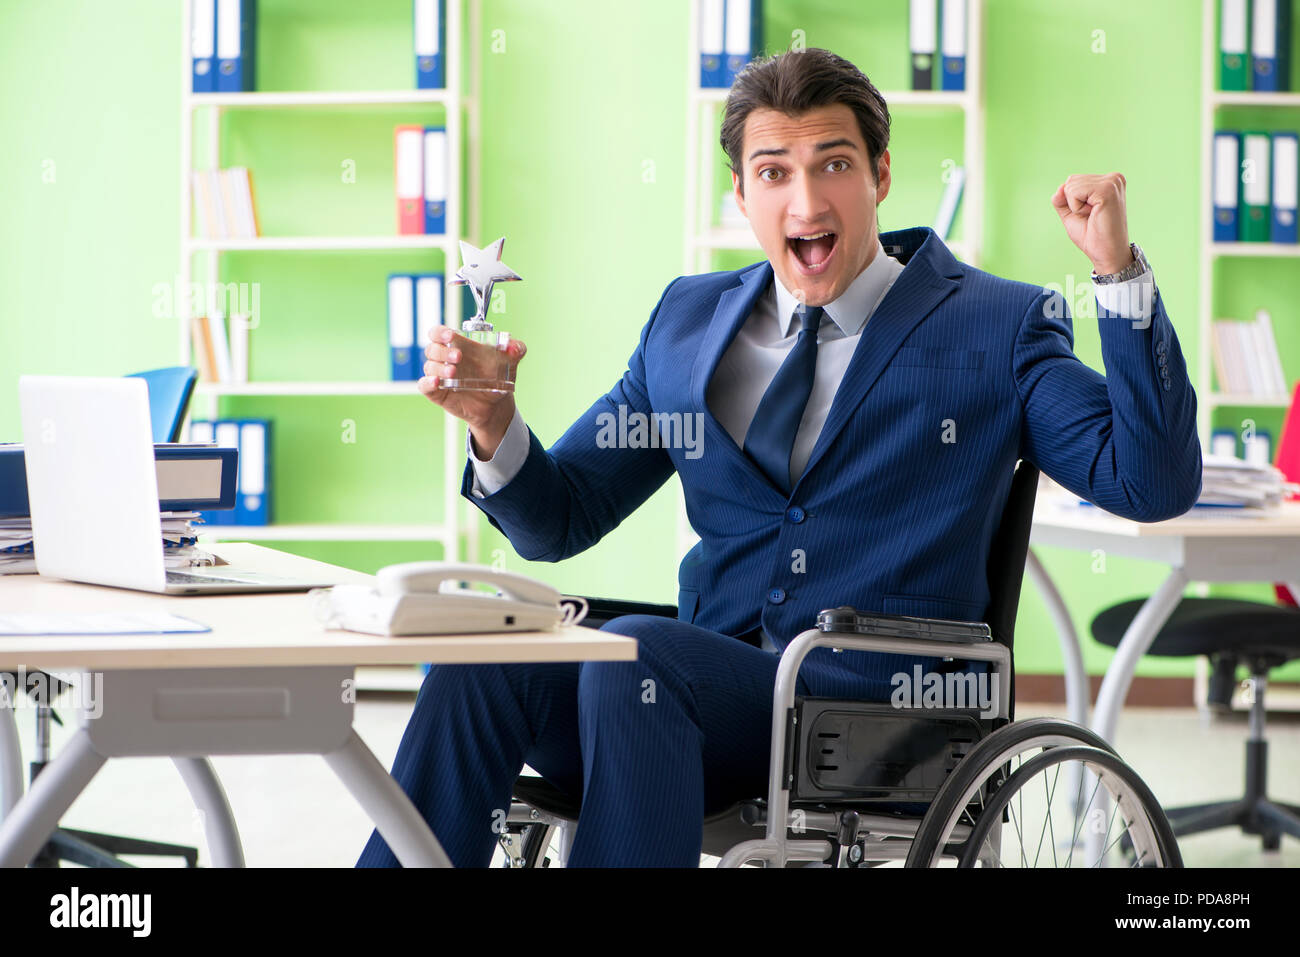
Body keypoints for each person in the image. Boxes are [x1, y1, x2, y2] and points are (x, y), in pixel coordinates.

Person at [357, 47, 1200, 867]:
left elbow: (1148, 479)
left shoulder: (995, 322)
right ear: (741, 193)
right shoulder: (687, 323)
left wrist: (1118, 278)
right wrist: (494, 424)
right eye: (774, 172)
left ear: (880, 175)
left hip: (877, 707)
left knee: (641, 656)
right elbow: (560, 515)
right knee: (486, 658)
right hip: (694, 699)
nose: (805, 200)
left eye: (833, 164)